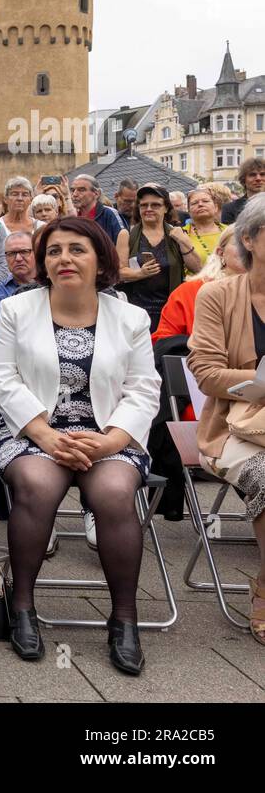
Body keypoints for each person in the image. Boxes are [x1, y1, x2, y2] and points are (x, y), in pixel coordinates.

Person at [0, 217, 161, 673]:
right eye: (54, 251)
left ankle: (124, 617)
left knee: (114, 492)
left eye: (77, 249)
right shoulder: (17, 310)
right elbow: (1, 377)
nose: (64, 258)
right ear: (43, 263)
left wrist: (110, 442)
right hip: (33, 431)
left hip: (108, 435)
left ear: (101, 258)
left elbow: (143, 389)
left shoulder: (130, 317)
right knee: (37, 486)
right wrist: (44, 434)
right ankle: (21, 606)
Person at [187, 197, 265, 647]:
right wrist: (261, 379)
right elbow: (208, 374)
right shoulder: (218, 295)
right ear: (250, 240)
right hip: (234, 429)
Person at [117, 184, 202, 333]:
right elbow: (118, 272)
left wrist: (184, 241)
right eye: (144, 205)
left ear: (166, 208)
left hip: (171, 312)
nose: (148, 209)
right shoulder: (127, 235)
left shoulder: (177, 234)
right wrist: (140, 274)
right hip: (136, 311)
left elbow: (197, 268)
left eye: (155, 205)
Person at [154, 226, 243, 342]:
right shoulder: (189, 292)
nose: (248, 248)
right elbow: (164, 342)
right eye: (239, 243)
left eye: (256, 242)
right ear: (220, 253)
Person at [0, 230, 39, 336]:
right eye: (11, 253)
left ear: (36, 253)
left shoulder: (52, 285)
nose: (18, 258)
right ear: (5, 258)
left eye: (24, 251)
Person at [70, 174, 124, 245]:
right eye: (73, 190)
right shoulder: (72, 218)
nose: (74, 194)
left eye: (81, 190)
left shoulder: (109, 214)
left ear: (96, 194)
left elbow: (122, 244)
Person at [182, 187, 226, 266]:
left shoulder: (230, 231)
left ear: (216, 207)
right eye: (194, 203)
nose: (200, 204)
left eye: (205, 201)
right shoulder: (181, 234)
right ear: (188, 210)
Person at [220, 157, 265, 225]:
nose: (258, 178)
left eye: (262, 174)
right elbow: (230, 234)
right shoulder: (230, 209)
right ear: (244, 179)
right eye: (252, 175)